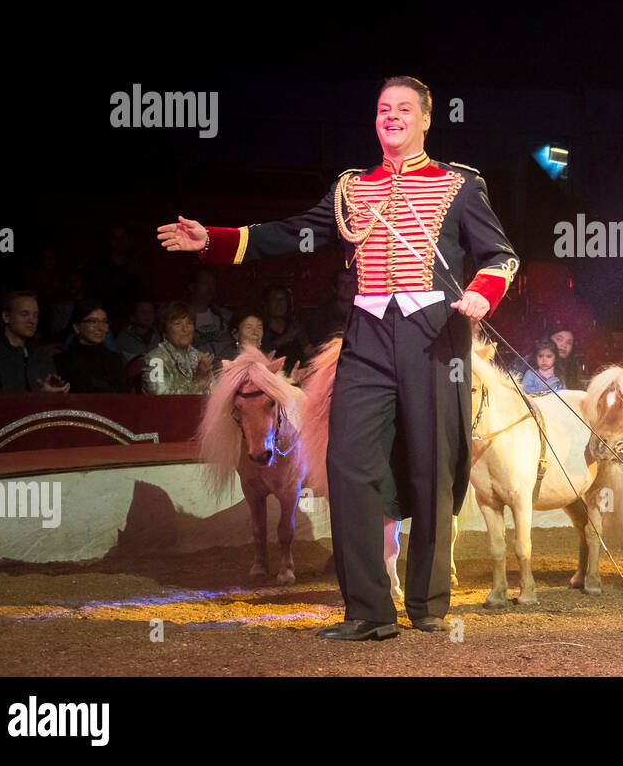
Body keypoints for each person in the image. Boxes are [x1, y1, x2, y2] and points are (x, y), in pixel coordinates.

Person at [157, 75, 518, 641]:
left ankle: (427, 602)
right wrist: (213, 240)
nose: (392, 116)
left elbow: (501, 255)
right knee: (348, 465)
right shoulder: (352, 187)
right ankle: (369, 611)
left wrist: (481, 292)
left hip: (433, 336)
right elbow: (294, 231)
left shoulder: (459, 185)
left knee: (431, 464)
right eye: (383, 109)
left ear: (426, 119)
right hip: (367, 335)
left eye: (404, 109)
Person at [0, 290, 68, 392]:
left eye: (35, 315)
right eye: (24, 314)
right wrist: (40, 397)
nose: (32, 321)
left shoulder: (42, 356)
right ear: (6, 317)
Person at [54, 300, 128, 393]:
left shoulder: (115, 360)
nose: (100, 328)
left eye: (104, 322)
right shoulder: (61, 361)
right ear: (77, 327)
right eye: (93, 322)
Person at [143, 301, 214, 395]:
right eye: (177, 324)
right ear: (164, 329)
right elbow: (161, 398)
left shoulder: (200, 358)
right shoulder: (155, 359)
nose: (185, 329)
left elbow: (214, 394)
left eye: (189, 323)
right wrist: (198, 382)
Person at [261, 284, 311, 375]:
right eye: (274, 299)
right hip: (273, 378)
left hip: (300, 375)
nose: (279, 304)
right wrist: (283, 340)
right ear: (267, 303)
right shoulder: (260, 328)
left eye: (282, 300)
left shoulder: (295, 325)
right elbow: (259, 354)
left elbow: (308, 350)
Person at [115, 299, 161, 366]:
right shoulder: (123, 339)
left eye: (150, 311)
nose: (147, 314)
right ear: (132, 317)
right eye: (142, 311)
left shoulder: (160, 336)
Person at [549, 324, 586, 390]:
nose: (564, 345)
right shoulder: (531, 363)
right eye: (559, 339)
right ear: (548, 340)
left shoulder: (573, 369)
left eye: (569, 342)